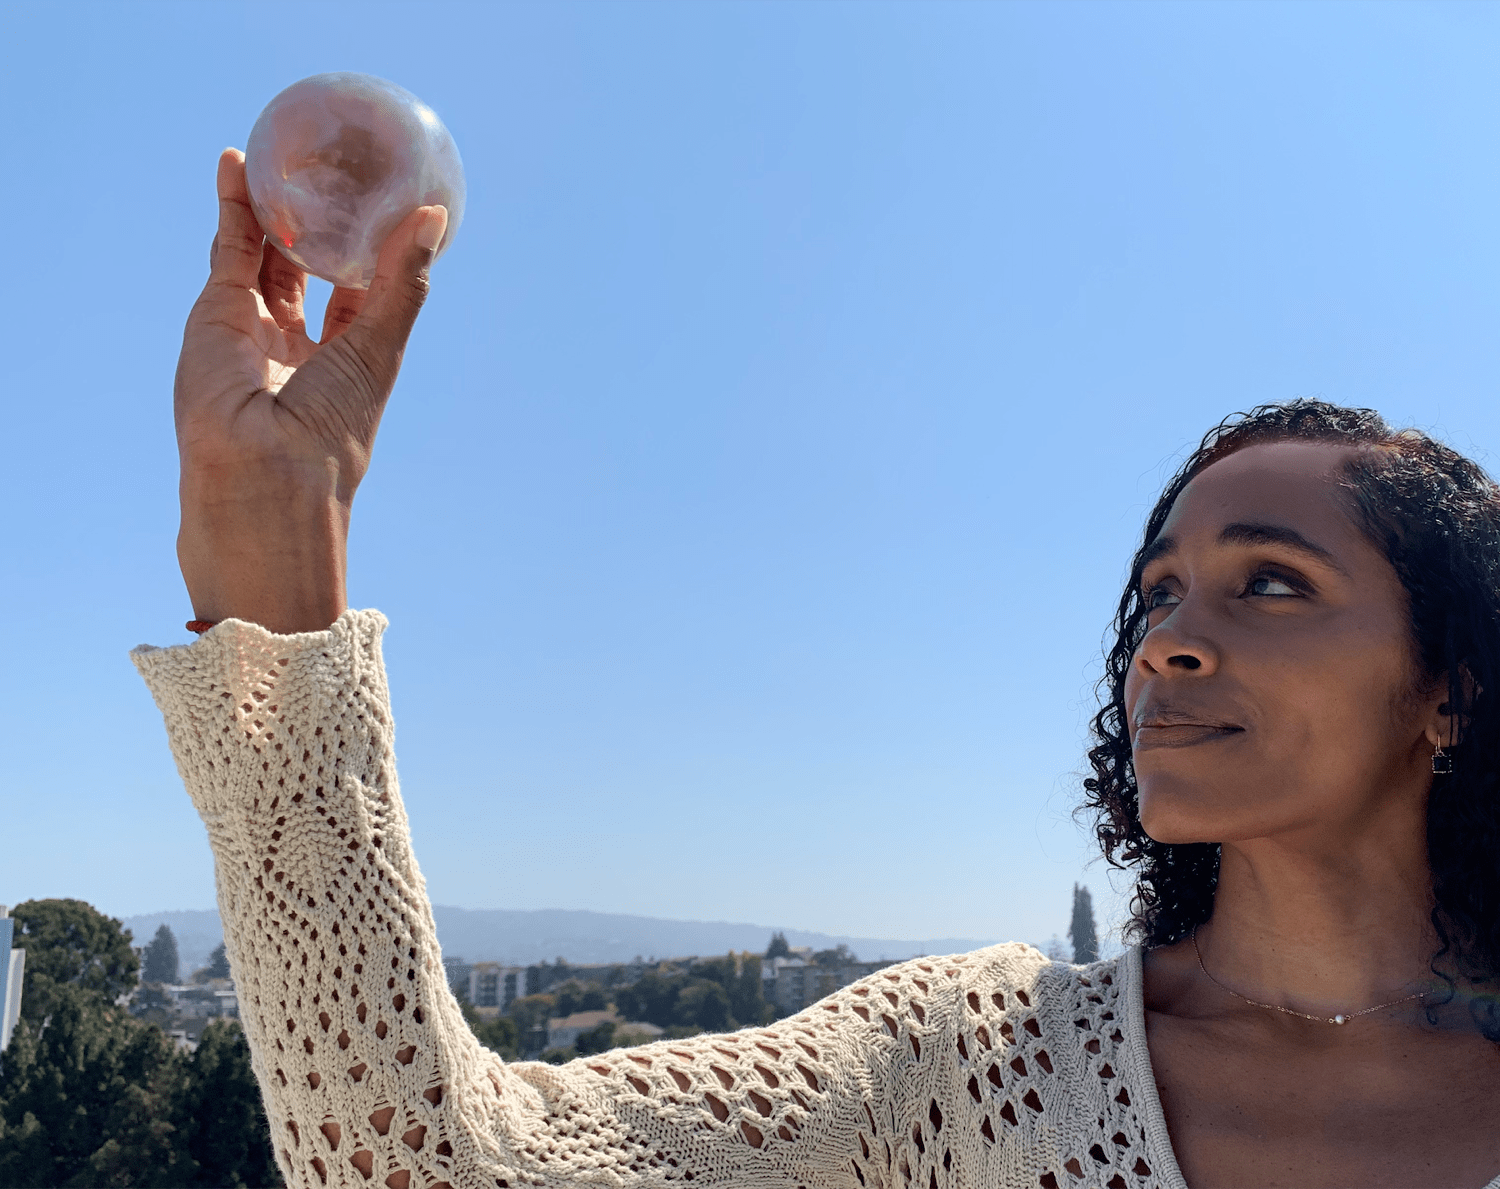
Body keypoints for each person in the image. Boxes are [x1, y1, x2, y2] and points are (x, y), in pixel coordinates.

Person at [132, 149, 1500, 1189]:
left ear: (1450, 686)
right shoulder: (971, 1061)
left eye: (1274, 582)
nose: (1168, 641)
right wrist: (275, 566)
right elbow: (429, 1163)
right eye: (1157, 595)